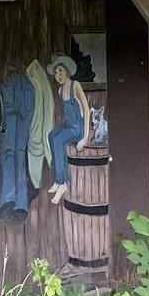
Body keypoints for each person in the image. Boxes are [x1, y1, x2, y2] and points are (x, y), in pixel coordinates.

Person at [46, 54, 92, 205]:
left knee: (59, 139)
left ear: (66, 70)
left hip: (77, 127)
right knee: (52, 136)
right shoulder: (60, 91)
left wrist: (84, 138)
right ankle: (58, 181)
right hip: (68, 125)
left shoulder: (75, 85)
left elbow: (86, 110)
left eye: (60, 71)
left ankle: (63, 183)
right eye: (56, 73)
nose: (58, 75)